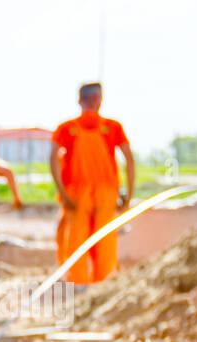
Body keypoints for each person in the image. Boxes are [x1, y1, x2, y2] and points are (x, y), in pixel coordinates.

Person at [50, 82, 135, 284]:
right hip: (106, 191)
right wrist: (128, 195)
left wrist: (62, 191)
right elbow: (129, 160)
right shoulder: (113, 127)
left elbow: (52, 159)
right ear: (100, 100)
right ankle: (103, 281)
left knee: (76, 239)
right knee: (105, 238)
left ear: (80, 100)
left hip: (75, 192)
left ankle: (78, 282)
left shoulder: (65, 128)